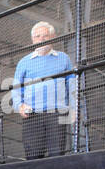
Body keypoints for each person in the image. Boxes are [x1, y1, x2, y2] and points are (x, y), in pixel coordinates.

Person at [12, 21, 76, 160]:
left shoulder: (63, 58)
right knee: (33, 156)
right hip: (33, 114)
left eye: (45, 36)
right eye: (37, 36)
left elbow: (72, 85)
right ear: (32, 40)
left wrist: (74, 108)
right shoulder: (24, 62)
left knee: (57, 155)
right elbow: (16, 88)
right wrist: (19, 105)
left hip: (58, 112)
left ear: (53, 37)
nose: (41, 39)